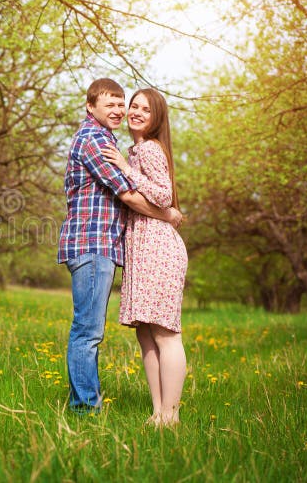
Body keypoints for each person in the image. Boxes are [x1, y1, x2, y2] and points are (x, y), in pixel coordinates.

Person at [58, 78, 182, 415]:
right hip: (92, 243)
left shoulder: (115, 142)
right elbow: (127, 195)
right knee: (88, 332)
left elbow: (151, 189)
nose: (119, 110)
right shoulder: (95, 140)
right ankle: (85, 409)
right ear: (90, 106)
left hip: (103, 245)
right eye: (109, 104)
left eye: (120, 104)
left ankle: (162, 414)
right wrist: (168, 215)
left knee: (98, 331)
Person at [102, 88, 188, 427]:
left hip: (159, 249)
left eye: (145, 109)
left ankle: (171, 414)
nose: (136, 112)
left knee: (165, 333)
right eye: (133, 106)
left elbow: (164, 195)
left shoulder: (149, 149)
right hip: (142, 249)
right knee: (146, 334)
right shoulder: (136, 150)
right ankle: (158, 412)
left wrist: (126, 167)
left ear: (156, 118)